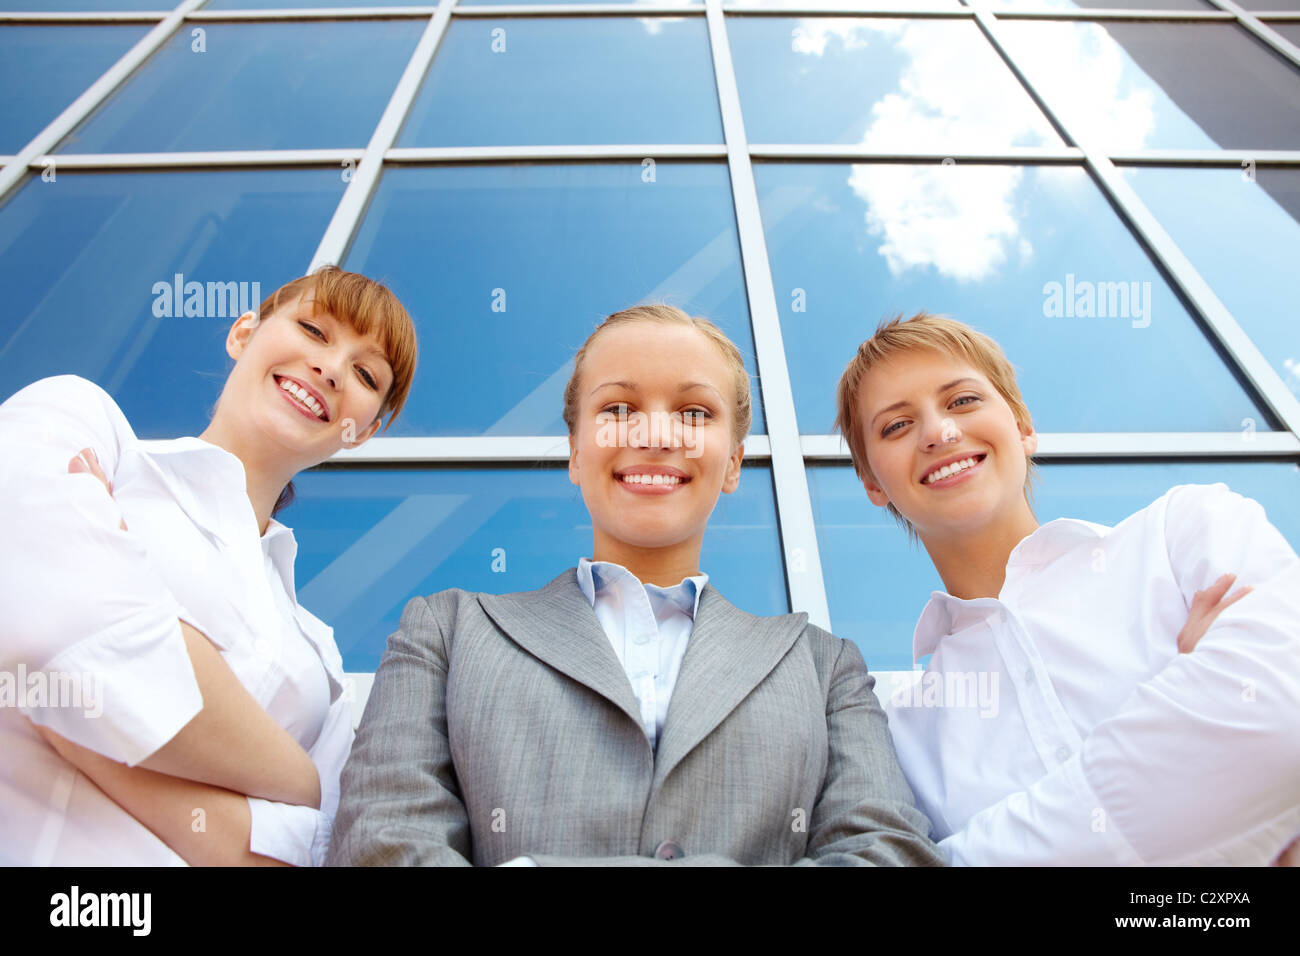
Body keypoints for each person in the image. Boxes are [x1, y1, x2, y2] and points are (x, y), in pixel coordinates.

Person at [328, 304, 943, 866]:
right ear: (575, 452)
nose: (653, 435)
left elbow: (888, 853)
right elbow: (380, 846)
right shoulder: (446, 633)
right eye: (618, 409)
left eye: (694, 413)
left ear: (732, 462)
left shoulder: (823, 666)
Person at [833, 312, 1300, 866]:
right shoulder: (901, 734)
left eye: (961, 401)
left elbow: (1280, 713)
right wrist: (1192, 707)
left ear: (1024, 427)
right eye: (896, 426)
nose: (939, 432)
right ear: (871, 484)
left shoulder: (1184, 532)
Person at [0, 265, 418, 866]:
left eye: (364, 373)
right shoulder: (81, 428)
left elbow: (303, 855)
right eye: (313, 331)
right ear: (243, 333)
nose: (330, 369)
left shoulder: (319, 664)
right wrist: (291, 775)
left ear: (365, 431)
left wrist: (96, 737)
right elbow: (53, 641)